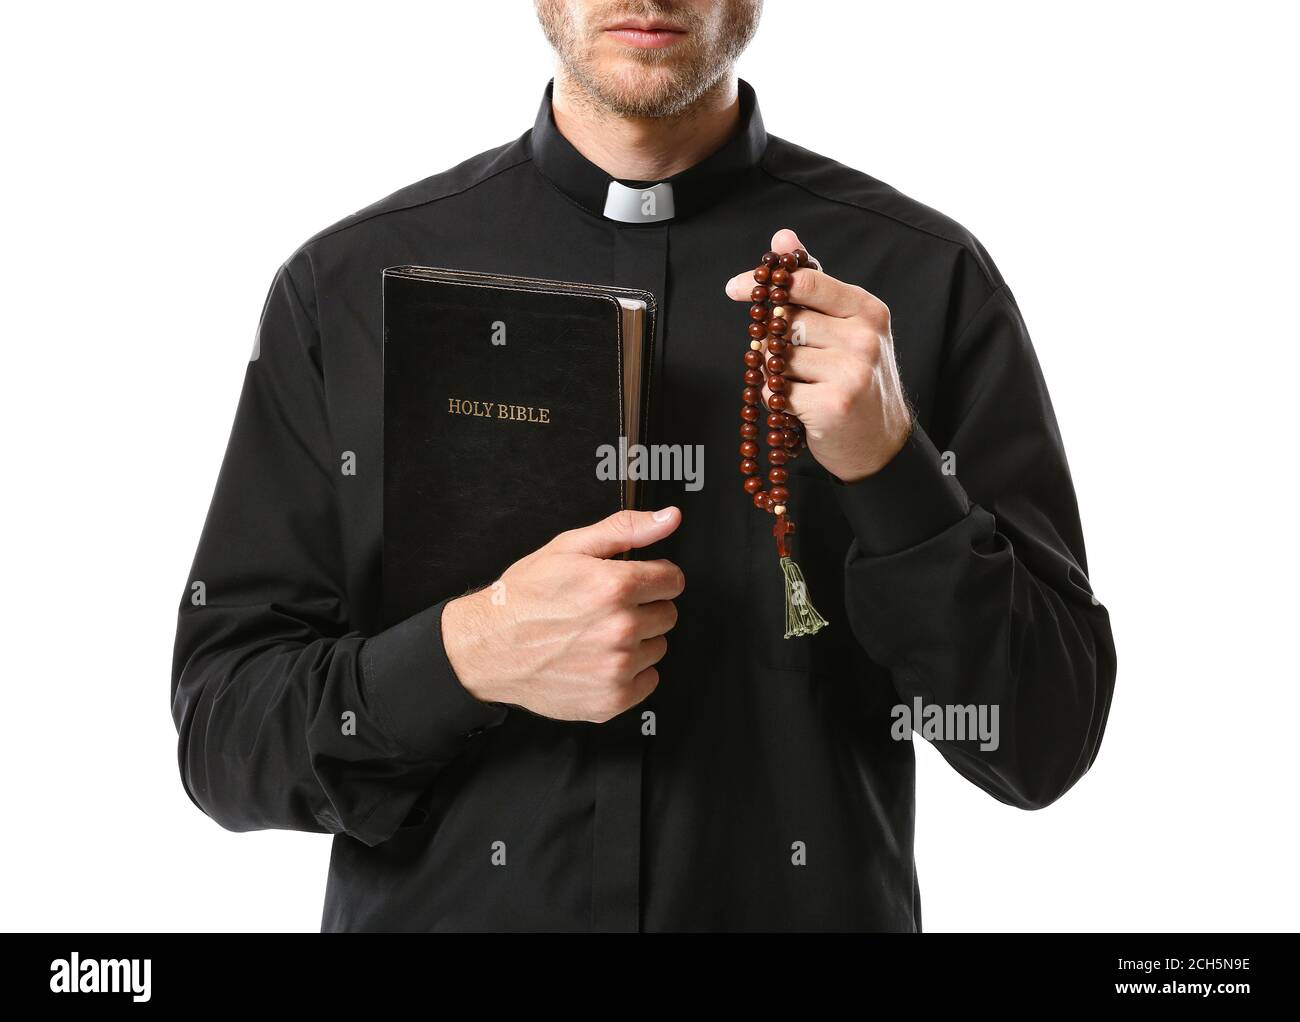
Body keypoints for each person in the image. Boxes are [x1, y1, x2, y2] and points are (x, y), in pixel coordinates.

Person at [171, 0, 1116, 931]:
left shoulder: (928, 282)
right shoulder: (341, 289)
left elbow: (1042, 745)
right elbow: (222, 735)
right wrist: (468, 654)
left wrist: (890, 469)